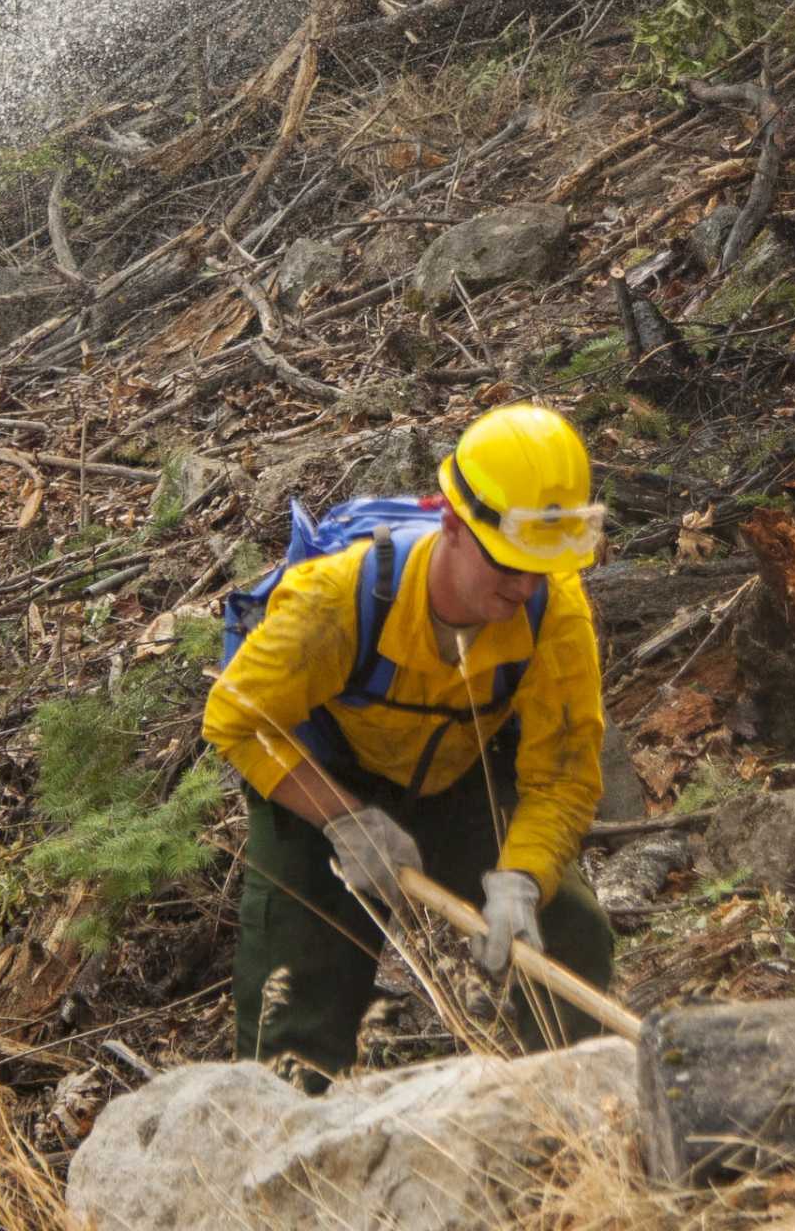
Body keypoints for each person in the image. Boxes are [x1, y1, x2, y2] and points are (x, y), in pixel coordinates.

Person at [205, 403, 614, 1087]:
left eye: (542, 569)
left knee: (568, 935)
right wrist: (342, 817)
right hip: (321, 779)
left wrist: (523, 879)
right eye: (508, 566)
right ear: (453, 523)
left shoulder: (553, 611)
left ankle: (568, 1135)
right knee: (294, 1015)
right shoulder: (335, 603)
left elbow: (564, 775)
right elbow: (234, 721)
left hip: (462, 773)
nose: (525, 588)